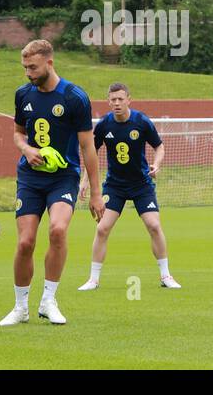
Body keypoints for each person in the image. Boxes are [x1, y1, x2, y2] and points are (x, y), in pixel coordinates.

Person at [0, 39, 102, 327]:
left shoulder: (74, 97)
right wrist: (27, 150)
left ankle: (48, 300)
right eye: (25, 67)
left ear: (49, 62)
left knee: (57, 231)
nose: (28, 73)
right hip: (30, 178)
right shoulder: (23, 95)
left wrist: (96, 192)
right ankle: (20, 307)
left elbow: (88, 148)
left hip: (63, 177)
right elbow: (18, 134)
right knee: (25, 242)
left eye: (32, 67)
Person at [77, 82, 180, 291]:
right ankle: (93, 279)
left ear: (128, 100)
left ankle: (165, 275)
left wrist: (157, 164)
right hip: (115, 186)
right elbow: (91, 154)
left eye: (120, 99)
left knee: (154, 225)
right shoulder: (104, 125)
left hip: (141, 184)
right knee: (102, 228)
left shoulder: (141, 121)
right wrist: (84, 182)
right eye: (112, 100)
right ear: (108, 101)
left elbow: (159, 146)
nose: (116, 103)